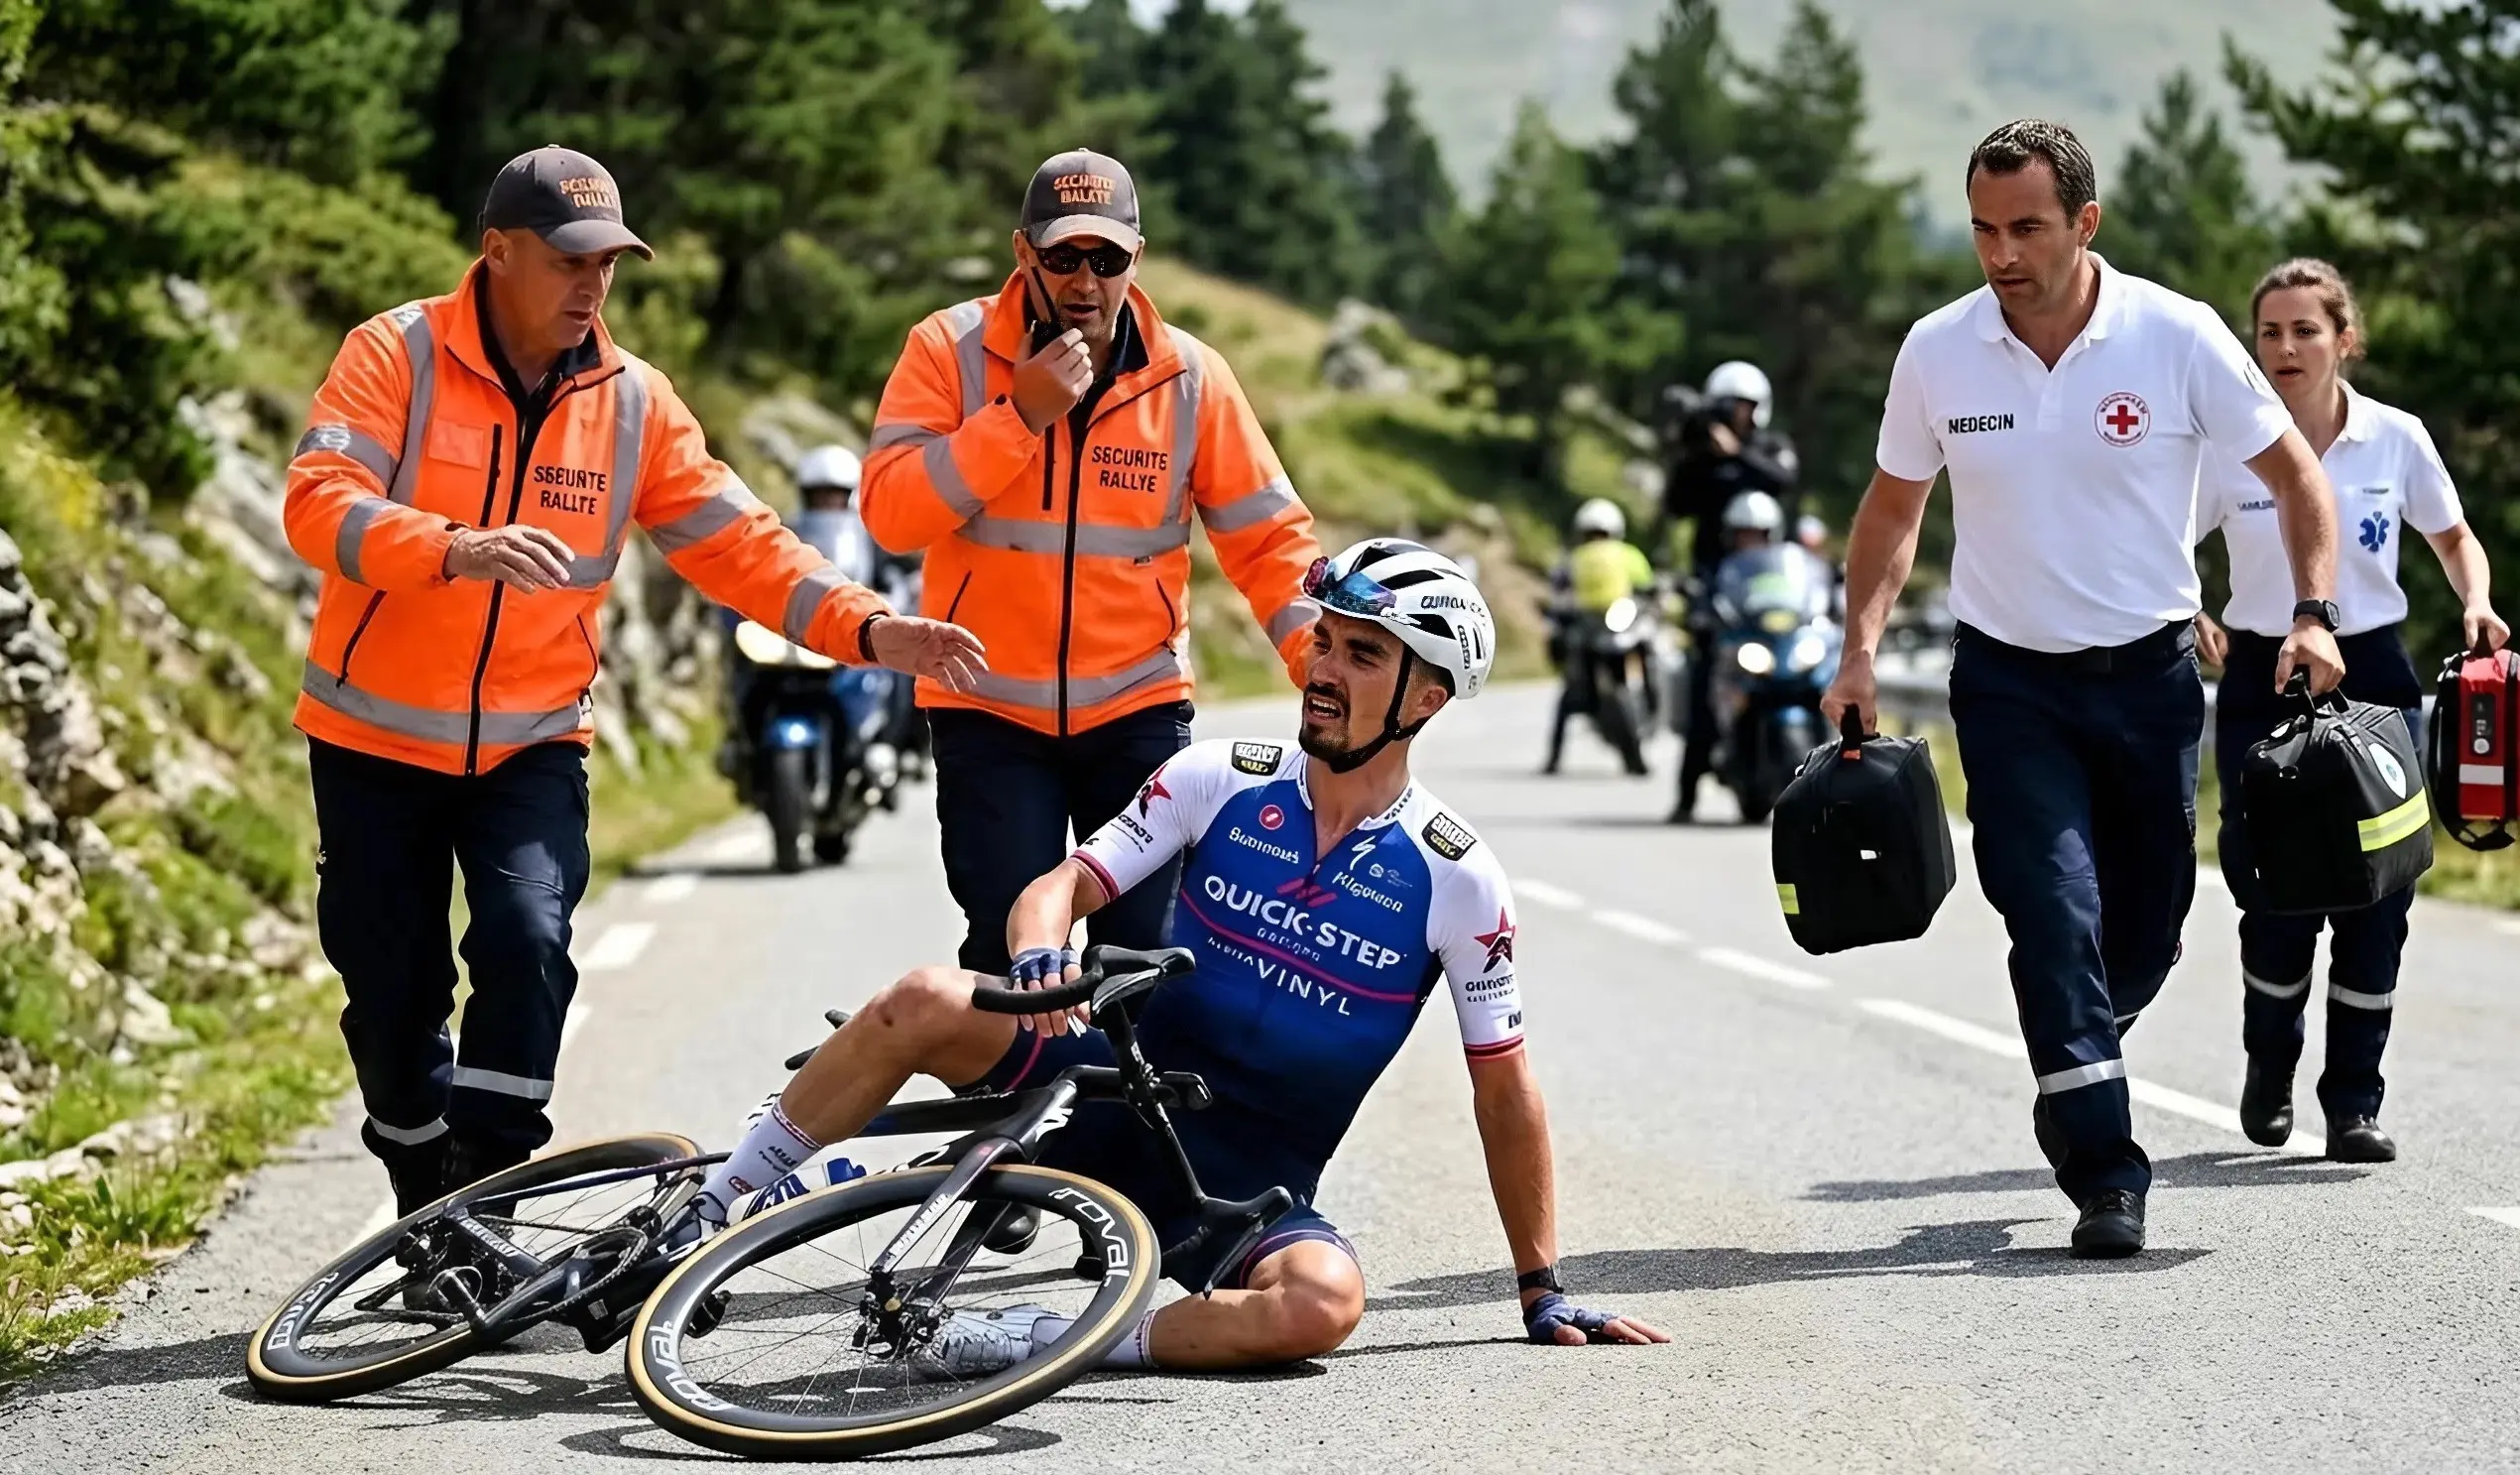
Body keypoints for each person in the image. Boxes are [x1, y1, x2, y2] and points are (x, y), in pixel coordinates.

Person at [690, 540, 1669, 1369]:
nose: (1323, 668)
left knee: (1323, 1301)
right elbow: (1061, 886)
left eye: (1362, 654)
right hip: (1101, 1089)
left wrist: (1541, 1285)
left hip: (1238, 1185)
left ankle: (1036, 1342)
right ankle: (710, 1205)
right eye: (1323, 641)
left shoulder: (1457, 877)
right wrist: (1037, 958)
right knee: (924, 995)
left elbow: (1504, 1085)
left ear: (1427, 695)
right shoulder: (1219, 778)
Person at [282, 147, 985, 1215]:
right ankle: (421, 1186)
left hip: (531, 742)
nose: (593, 283)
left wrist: (870, 626)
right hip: (371, 741)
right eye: (570, 260)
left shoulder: (633, 403)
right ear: (497, 251)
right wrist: (449, 547)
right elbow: (318, 500)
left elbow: (742, 544)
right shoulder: (396, 353)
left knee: (528, 941)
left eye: (608, 262)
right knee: (391, 993)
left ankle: (485, 1201)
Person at [1823, 119, 2344, 1259]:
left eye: (2027, 227)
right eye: (1983, 229)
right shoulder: (1939, 349)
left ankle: (2076, 1054)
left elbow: (2298, 477)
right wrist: (1858, 648)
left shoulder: (2176, 335)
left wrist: (2312, 612)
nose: (2000, 253)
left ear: (2085, 222)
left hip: (2150, 680)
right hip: (2009, 685)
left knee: (2147, 931)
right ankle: (2106, 1170)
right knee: (2052, 910)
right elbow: (1894, 509)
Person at [861, 148, 1320, 980]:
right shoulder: (947, 350)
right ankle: (1013, 1070)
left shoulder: (1190, 378)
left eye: (1105, 260)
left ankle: (1116, 1075)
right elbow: (892, 514)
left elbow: (1269, 539)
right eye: (1062, 256)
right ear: (1022, 252)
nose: (1084, 281)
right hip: (987, 709)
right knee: (1008, 953)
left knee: (1140, 959)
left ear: (1135, 259)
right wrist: (1017, 418)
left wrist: (1319, 663)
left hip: (1136, 708)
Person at [2193, 258, 2508, 1162]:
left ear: (2344, 339)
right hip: (2263, 677)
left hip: (2371, 672)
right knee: (2274, 891)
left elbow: (2453, 536)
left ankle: (2353, 1104)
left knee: (2380, 893)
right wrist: (2189, 608)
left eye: (2305, 330)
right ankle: (2269, 1065)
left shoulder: (2394, 438)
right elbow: (2166, 537)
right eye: (2269, 331)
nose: (2285, 347)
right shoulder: (2230, 443)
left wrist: (2475, 600)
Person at [1671, 490, 1789, 819]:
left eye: (1758, 534)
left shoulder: (1782, 569)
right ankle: (1686, 800)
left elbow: (1805, 596)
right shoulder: (1721, 571)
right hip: (1732, 653)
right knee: (1701, 714)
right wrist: (1698, 614)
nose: (1750, 540)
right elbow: (1701, 599)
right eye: (1743, 534)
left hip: (1776, 651)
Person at [1651, 360, 1800, 580]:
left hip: (1767, 566)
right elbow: (1676, 506)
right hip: (1712, 567)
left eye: (1739, 405)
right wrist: (1691, 449)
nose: (1733, 413)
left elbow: (1784, 479)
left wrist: (1737, 452)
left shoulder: (1771, 445)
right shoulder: (1704, 455)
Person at [1543, 498, 1656, 774]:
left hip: (1610, 627)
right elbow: (1648, 587)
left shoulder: (1575, 558)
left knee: (1569, 697)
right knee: (1571, 691)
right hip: (1596, 630)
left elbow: (1558, 591)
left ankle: (1554, 758)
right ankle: (1554, 758)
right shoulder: (1626, 554)